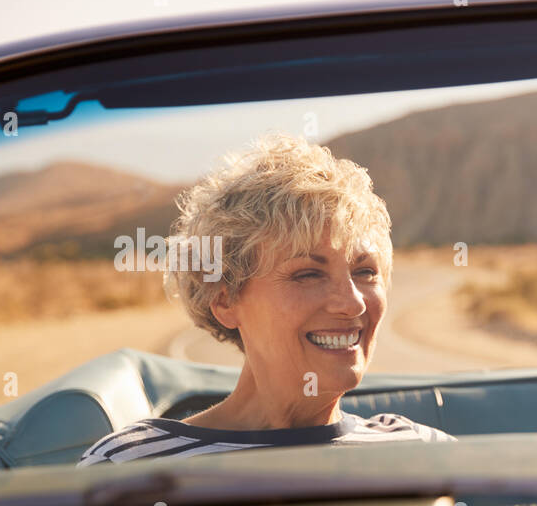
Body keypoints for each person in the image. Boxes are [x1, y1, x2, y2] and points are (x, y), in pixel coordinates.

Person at [79, 134, 452, 466]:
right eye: (308, 274)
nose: (352, 303)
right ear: (224, 299)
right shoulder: (131, 467)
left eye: (365, 272)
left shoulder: (425, 452)